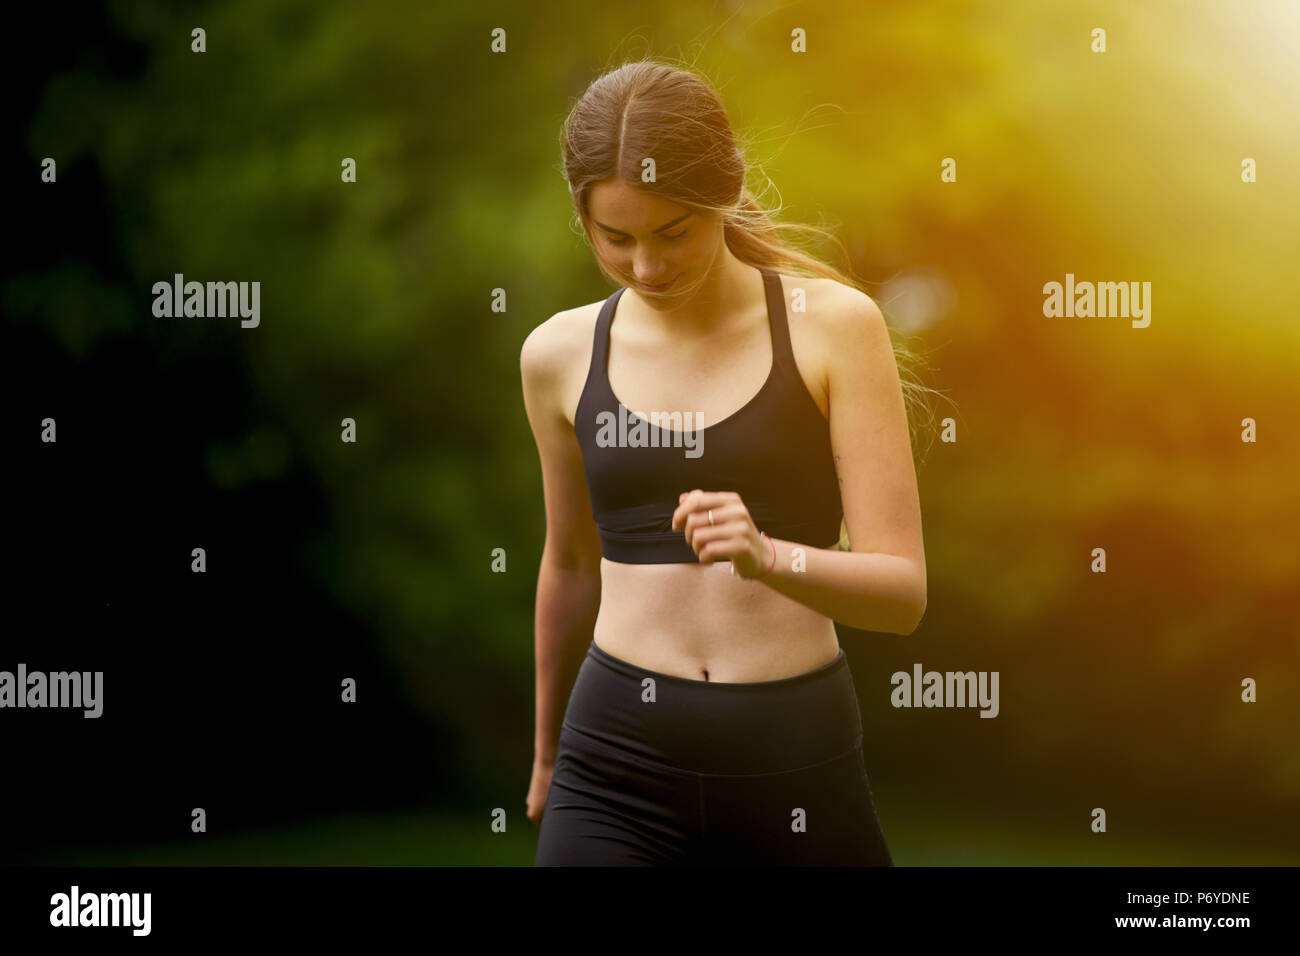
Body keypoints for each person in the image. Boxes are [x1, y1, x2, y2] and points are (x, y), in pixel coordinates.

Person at [520, 59, 928, 866]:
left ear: (726, 195)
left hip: (795, 768)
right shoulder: (557, 355)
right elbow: (568, 563)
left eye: (672, 233)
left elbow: (903, 594)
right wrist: (544, 755)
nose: (646, 267)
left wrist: (767, 555)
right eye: (617, 238)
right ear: (585, 219)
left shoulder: (834, 329)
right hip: (612, 767)